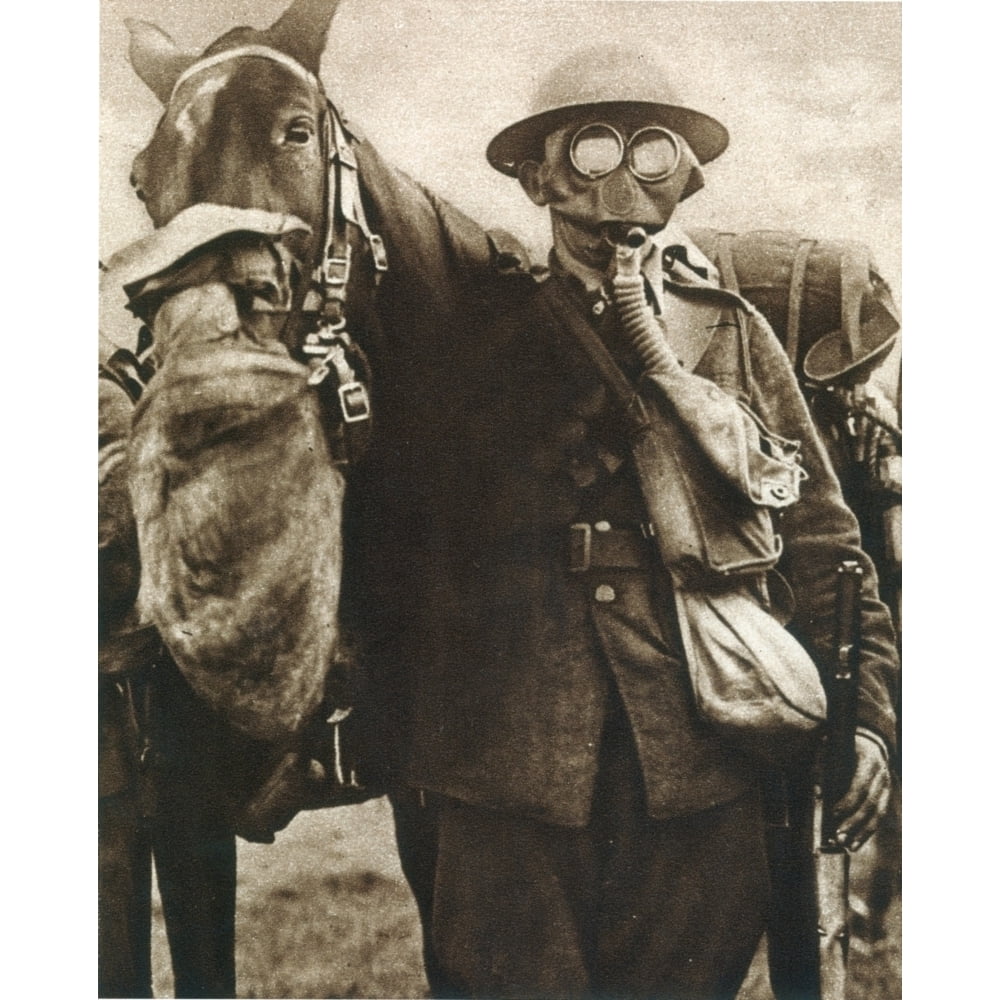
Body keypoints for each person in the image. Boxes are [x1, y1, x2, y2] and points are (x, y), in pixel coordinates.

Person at [372, 43, 899, 1000]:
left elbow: (826, 544)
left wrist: (866, 722)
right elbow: (392, 535)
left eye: (651, 152)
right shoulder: (468, 332)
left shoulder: (726, 329)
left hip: (700, 756)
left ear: (685, 176)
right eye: (589, 150)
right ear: (536, 175)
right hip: (504, 764)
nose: (622, 180)